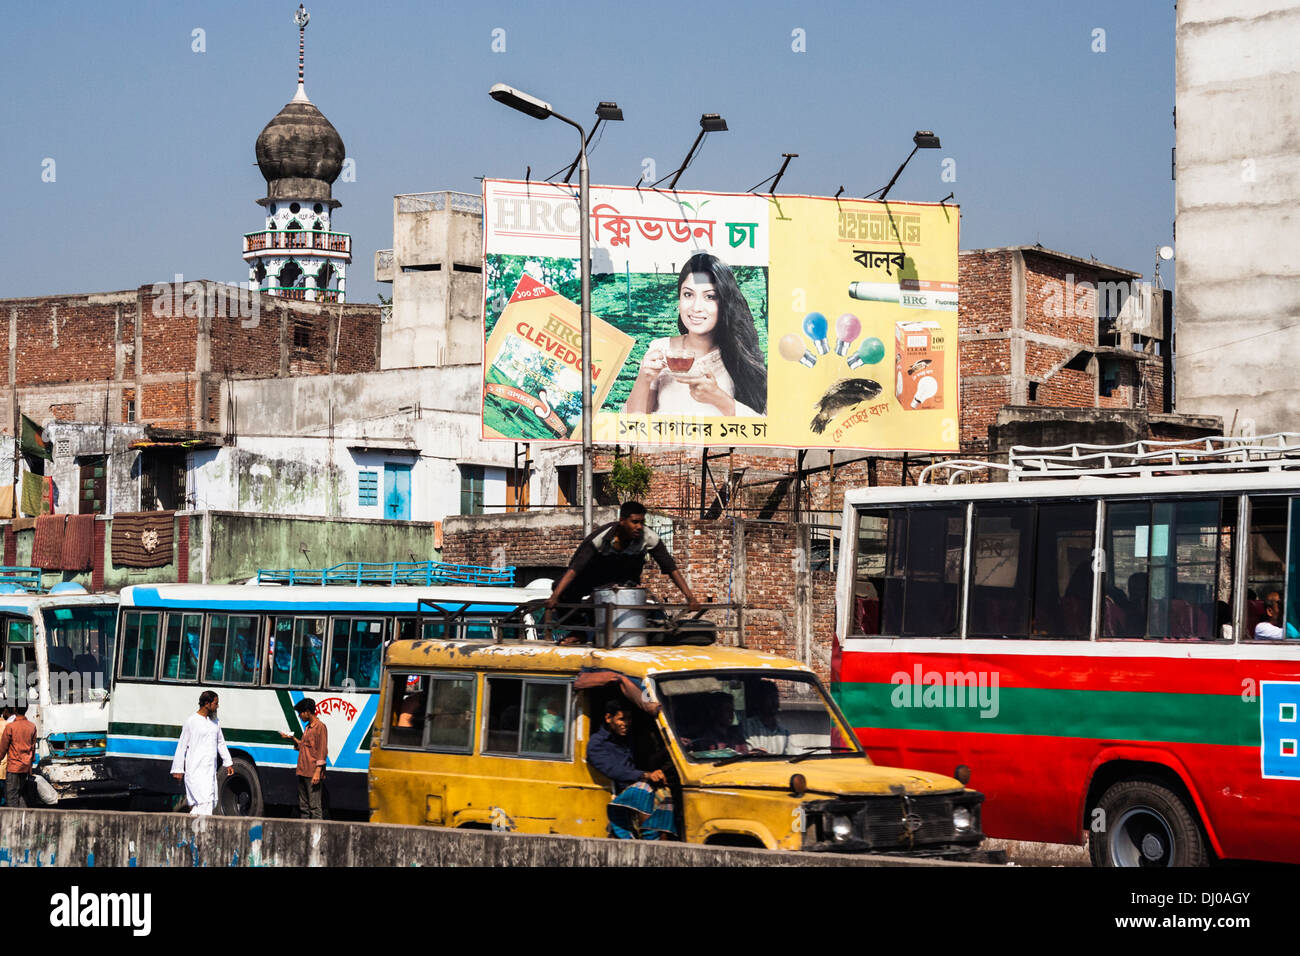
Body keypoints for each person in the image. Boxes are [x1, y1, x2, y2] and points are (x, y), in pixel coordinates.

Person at [624, 253, 767, 417]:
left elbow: (763, 430)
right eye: (688, 294)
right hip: (667, 443)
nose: (696, 307)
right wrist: (644, 378)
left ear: (724, 303)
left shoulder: (740, 357)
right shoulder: (661, 349)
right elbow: (632, 426)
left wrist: (719, 398)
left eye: (709, 297)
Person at [544, 501, 700, 637]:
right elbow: (575, 569)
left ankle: (601, 630)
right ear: (622, 521)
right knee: (561, 588)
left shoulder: (648, 537)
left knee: (603, 600)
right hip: (593, 574)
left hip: (624, 579)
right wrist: (555, 596)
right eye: (635, 522)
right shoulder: (602, 538)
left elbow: (671, 568)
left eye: (642, 522)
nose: (639, 527)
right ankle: (578, 632)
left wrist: (690, 597)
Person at [586, 699, 675, 840]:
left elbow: (647, 758)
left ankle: (663, 844)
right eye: (622, 719)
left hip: (637, 783)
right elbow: (614, 770)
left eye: (628, 719)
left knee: (665, 793)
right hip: (621, 790)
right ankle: (648, 840)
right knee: (643, 789)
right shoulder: (597, 744)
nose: (626, 723)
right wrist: (646, 775)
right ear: (608, 718)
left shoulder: (629, 738)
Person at [170, 690, 234, 816]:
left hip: (210, 770)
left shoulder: (215, 722)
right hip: (195, 769)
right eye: (215, 703)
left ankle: (201, 831)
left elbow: (220, 743)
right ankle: (196, 831)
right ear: (206, 704)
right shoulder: (191, 721)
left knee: (209, 801)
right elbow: (182, 745)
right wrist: (178, 769)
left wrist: (228, 763)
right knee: (200, 802)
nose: (217, 706)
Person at [280, 698, 327, 819]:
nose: (300, 716)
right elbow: (304, 746)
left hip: (312, 773)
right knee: (304, 806)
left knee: (315, 807)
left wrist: (317, 772)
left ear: (307, 712)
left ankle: (317, 835)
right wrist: (292, 738)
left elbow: (322, 751)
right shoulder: (308, 728)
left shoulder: (320, 727)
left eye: (300, 713)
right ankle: (305, 832)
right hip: (303, 771)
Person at [0, 705, 37, 807]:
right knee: (21, 794)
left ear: (15, 709)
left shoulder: (10, 727)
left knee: (11, 796)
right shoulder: (32, 726)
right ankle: (23, 820)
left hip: (14, 767)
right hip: (26, 767)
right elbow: (33, 748)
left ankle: (14, 822)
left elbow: (2, 749)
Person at [742, 682, 791, 755]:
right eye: (770, 698)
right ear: (759, 701)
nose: (774, 702)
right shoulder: (747, 727)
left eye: (776, 697)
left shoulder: (784, 732)